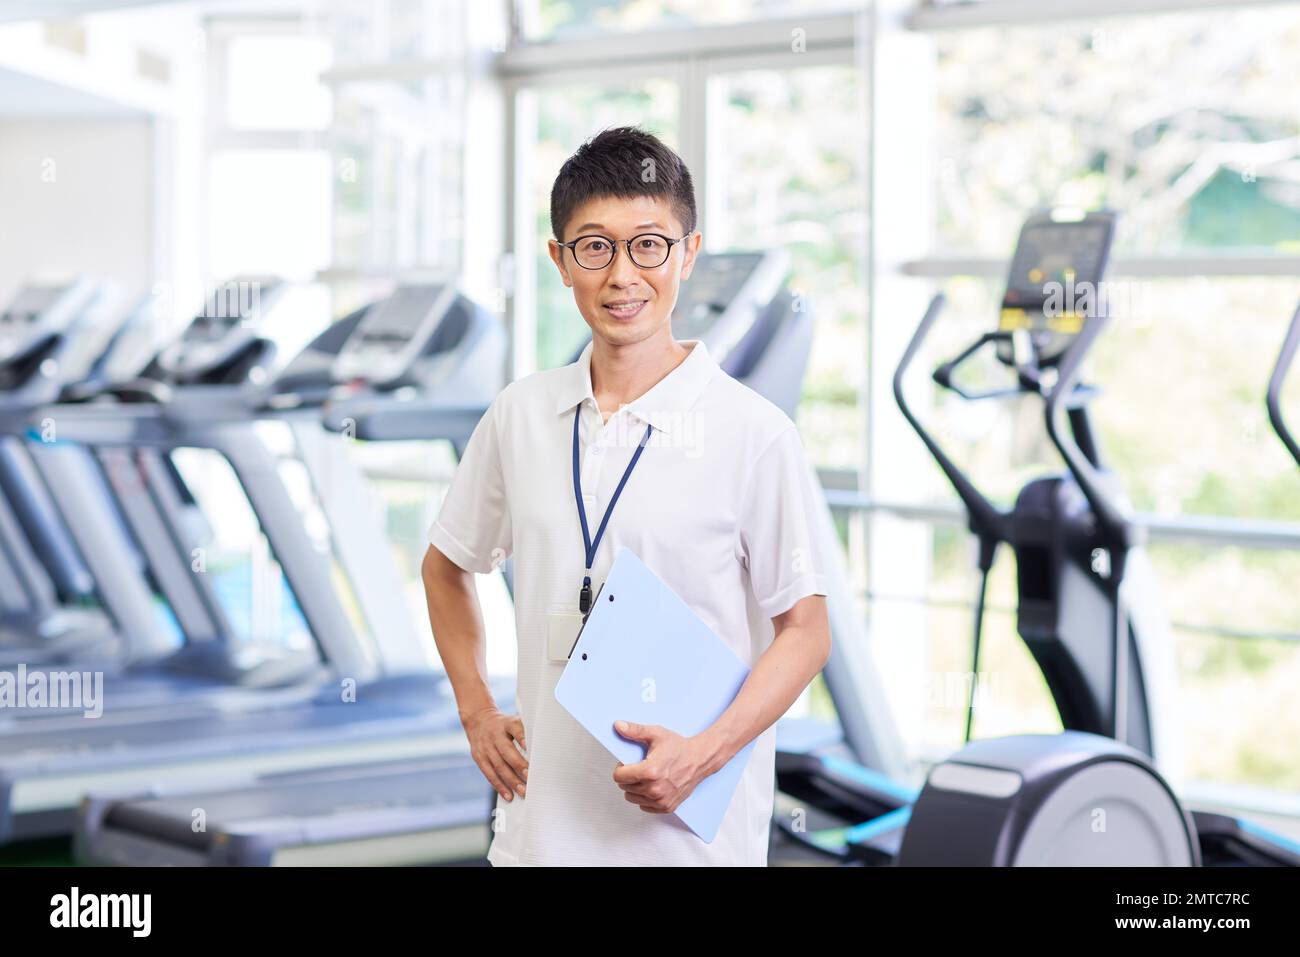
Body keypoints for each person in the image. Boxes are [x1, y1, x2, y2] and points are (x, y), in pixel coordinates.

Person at [421, 126, 830, 866]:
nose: (622, 275)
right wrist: (477, 709)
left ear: (688, 254)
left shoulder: (754, 433)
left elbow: (805, 629)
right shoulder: (520, 414)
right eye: (595, 247)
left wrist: (703, 753)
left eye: (649, 245)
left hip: (686, 848)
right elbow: (447, 565)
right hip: (536, 841)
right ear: (560, 260)